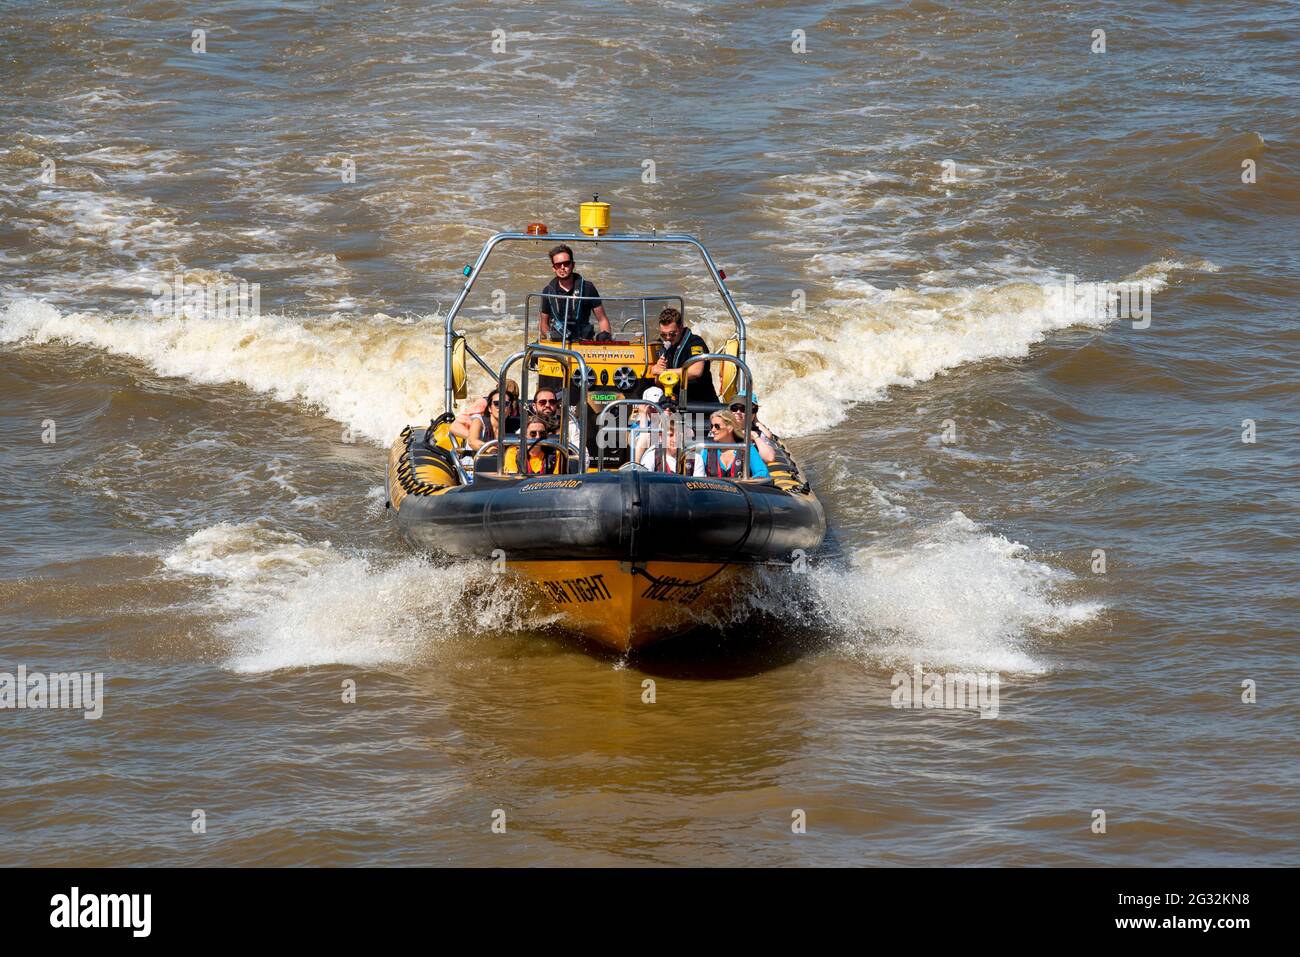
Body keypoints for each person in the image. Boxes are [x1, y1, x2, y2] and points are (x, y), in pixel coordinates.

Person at [539, 244, 611, 342]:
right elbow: (543, 324)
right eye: (558, 265)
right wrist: (550, 336)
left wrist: (605, 336)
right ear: (554, 268)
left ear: (573, 265)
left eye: (566, 263)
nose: (562, 267)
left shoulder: (588, 288)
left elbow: (602, 319)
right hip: (558, 343)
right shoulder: (547, 292)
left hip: (583, 343)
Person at [650, 307, 718, 405]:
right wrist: (658, 373)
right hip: (676, 403)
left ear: (681, 327)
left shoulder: (695, 342)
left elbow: (696, 371)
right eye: (664, 335)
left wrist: (664, 371)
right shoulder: (666, 348)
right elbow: (659, 384)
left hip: (701, 404)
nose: (668, 338)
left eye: (672, 334)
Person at [694, 410, 769, 478]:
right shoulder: (707, 451)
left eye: (717, 426)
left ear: (730, 428)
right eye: (712, 426)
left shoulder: (746, 448)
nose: (712, 430)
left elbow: (763, 473)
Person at [726, 392, 777, 463]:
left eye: (743, 408)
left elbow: (770, 458)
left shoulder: (756, 433)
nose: (738, 412)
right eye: (734, 408)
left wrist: (754, 436)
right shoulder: (720, 429)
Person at [467, 386, 519, 451]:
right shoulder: (479, 421)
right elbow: (472, 442)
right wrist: (491, 449)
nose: (501, 407)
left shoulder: (515, 425)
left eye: (506, 404)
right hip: (475, 459)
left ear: (510, 409)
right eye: (496, 403)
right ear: (489, 408)